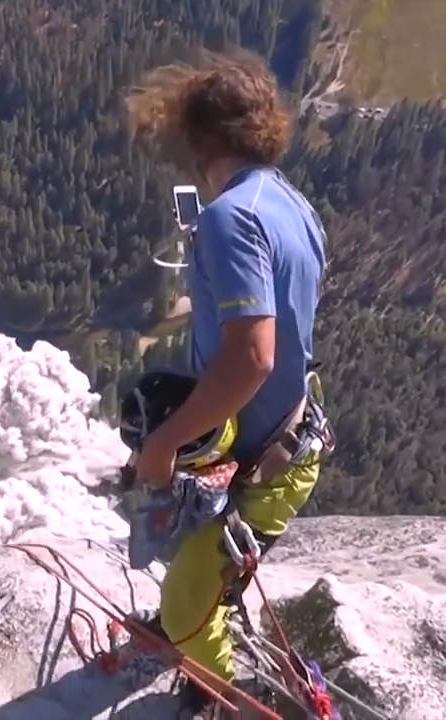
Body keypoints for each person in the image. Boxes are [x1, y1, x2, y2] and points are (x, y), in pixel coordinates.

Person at [123, 49, 329, 713]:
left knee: (186, 598)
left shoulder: (230, 217)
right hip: (285, 437)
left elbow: (251, 360)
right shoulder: (292, 205)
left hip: (265, 456)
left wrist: (165, 443)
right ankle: (202, 620)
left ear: (196, 139)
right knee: (204, 560)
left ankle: (222, 696)